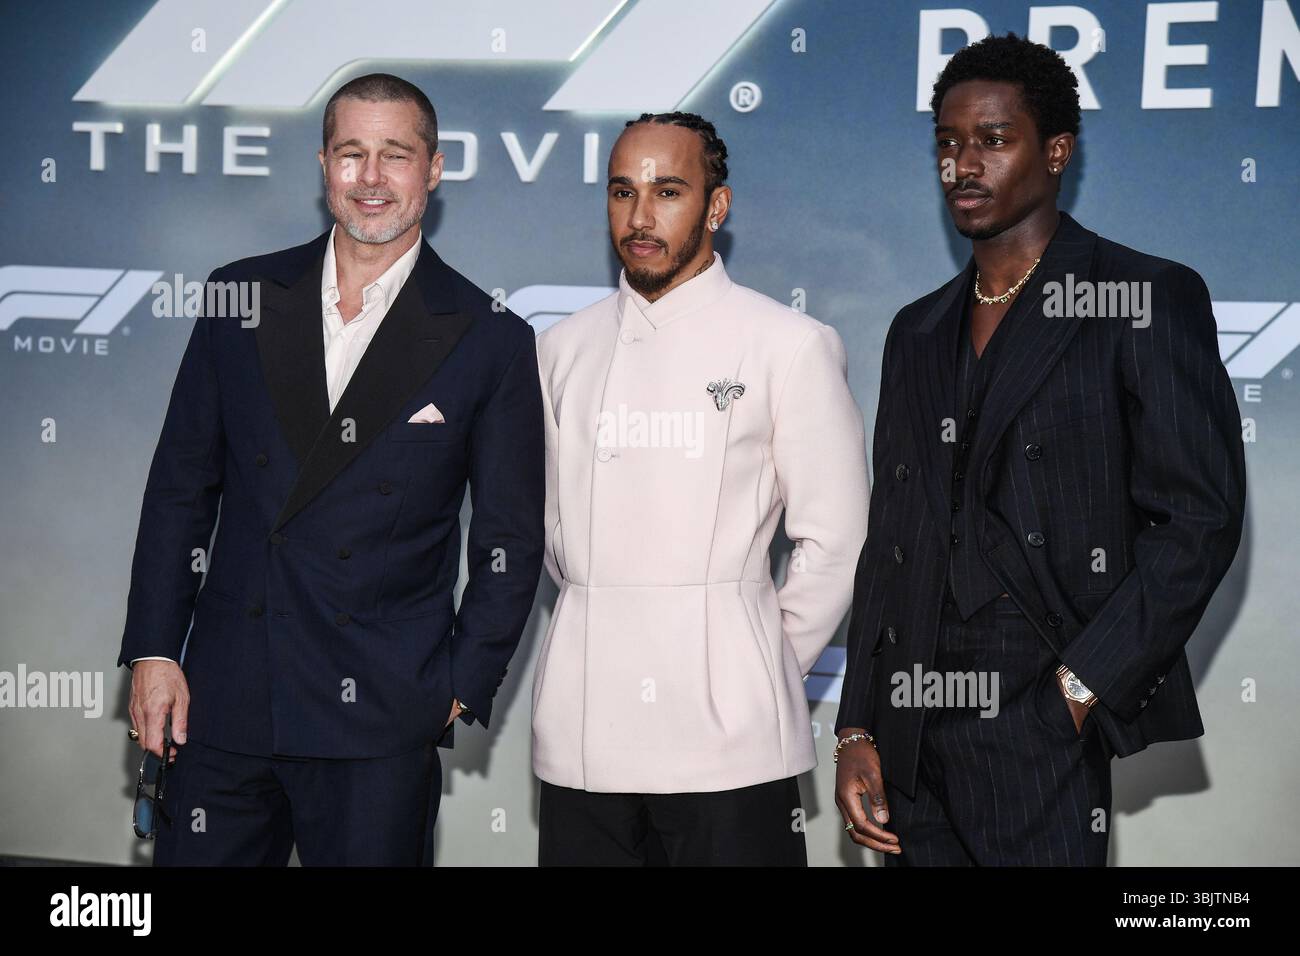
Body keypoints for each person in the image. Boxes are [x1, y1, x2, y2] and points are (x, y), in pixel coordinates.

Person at [834, 34, 1246, 866]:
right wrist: (857, 723)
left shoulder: (1140, 295)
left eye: (993, 139)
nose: (962, 164)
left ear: (1056, 152)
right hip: (910, 729)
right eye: (947, 143)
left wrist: (1077, 691)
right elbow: (893, 538)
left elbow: (1197, 519)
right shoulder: (916, 330)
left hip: (1040, 717)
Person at [119, 73, 544, 865]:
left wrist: (456, 682)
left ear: (435, 168)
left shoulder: (489, 339)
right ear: (323, 165)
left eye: (395, 155)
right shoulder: (238, 298)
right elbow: (180, 488)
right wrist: (153, 651)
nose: (372, 178)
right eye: (352, 154)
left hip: (380, 716)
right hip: (222, 701)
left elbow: (510, 538)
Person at [532, 112, 870, 865]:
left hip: (733, 738)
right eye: (623, 192)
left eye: (669, 191)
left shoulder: (789, 345)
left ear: (716, 207)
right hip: (585, 726)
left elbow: (838, 540)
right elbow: (552, 540)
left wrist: (749, 657)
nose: (641, 217)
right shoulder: (559, 349)